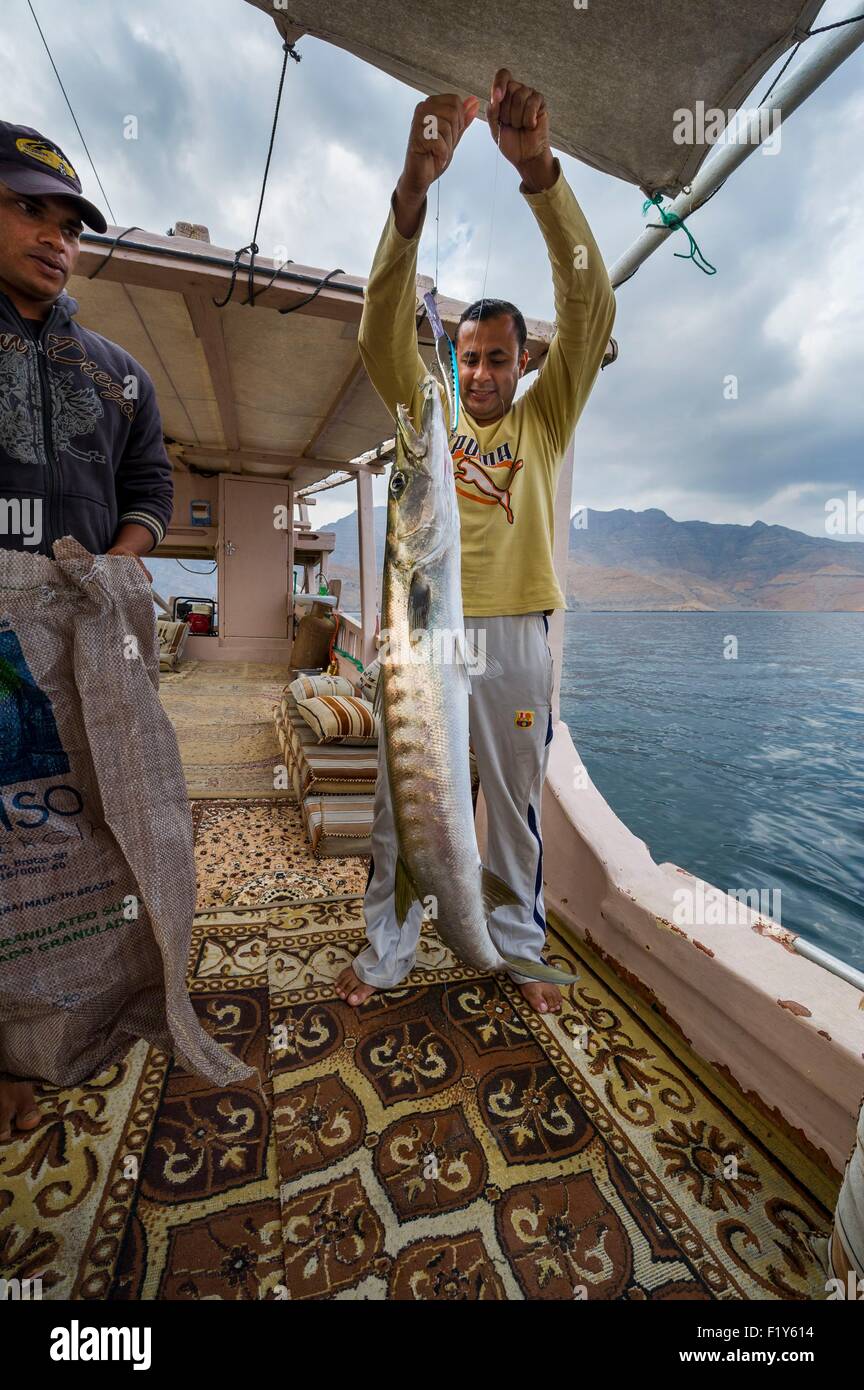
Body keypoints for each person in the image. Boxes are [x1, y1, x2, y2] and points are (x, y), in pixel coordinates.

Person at [335, 69, 615, 1015]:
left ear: (524, 361)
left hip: (516, 638)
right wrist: (412, 193)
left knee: (514, 814)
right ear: (454, 361)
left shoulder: (543, 421)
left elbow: (592, 308)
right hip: (428, 642)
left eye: (499, 357)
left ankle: (517, 949)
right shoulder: (430, 417)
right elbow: (379, 332)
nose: (483, 371)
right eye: (470, 357)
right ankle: (388, 951)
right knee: (399, 807)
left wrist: (539, 174)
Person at [0, 121, 173, 1140]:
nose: (56, 237)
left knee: (97, 825)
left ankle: (98, 1008)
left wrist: (125, 554)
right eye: (29, 208)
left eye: (69, 222)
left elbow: (148, 483)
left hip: (92, 640)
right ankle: (13, 1050)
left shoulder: (117, 374)